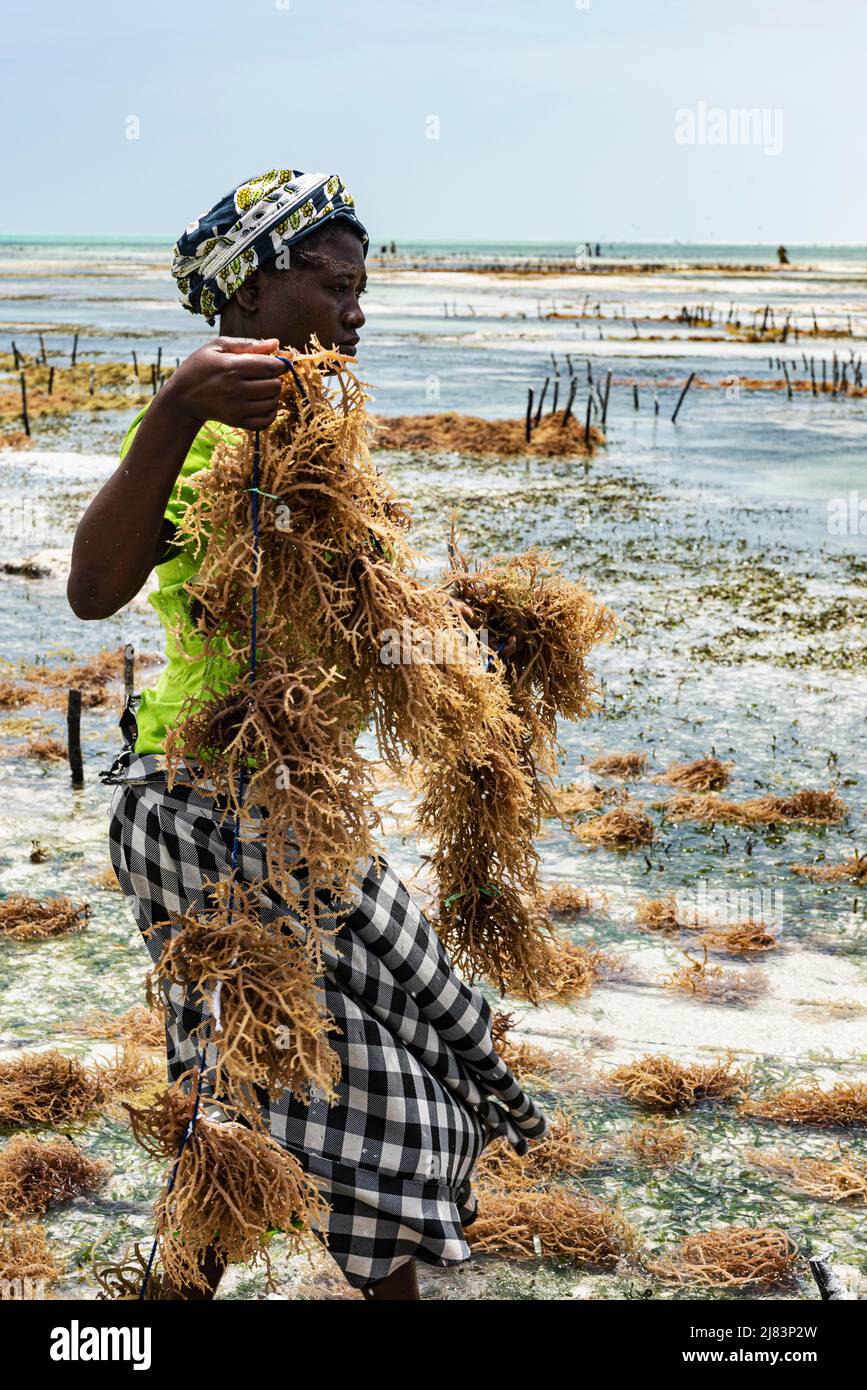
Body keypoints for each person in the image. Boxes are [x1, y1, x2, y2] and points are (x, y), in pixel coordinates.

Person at [67, 167, 548, 1302]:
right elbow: (93, 588)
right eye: (337, 284)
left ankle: (169, 1296)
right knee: (364, 1092)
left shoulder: (313, 438)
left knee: (270, 1079)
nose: (357, 310)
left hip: (295, 809)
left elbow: (348, 614)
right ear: (255, 289)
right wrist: (178, 405)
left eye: (361, 289)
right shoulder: (202, 426)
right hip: (199, 804)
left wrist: (462, 632)